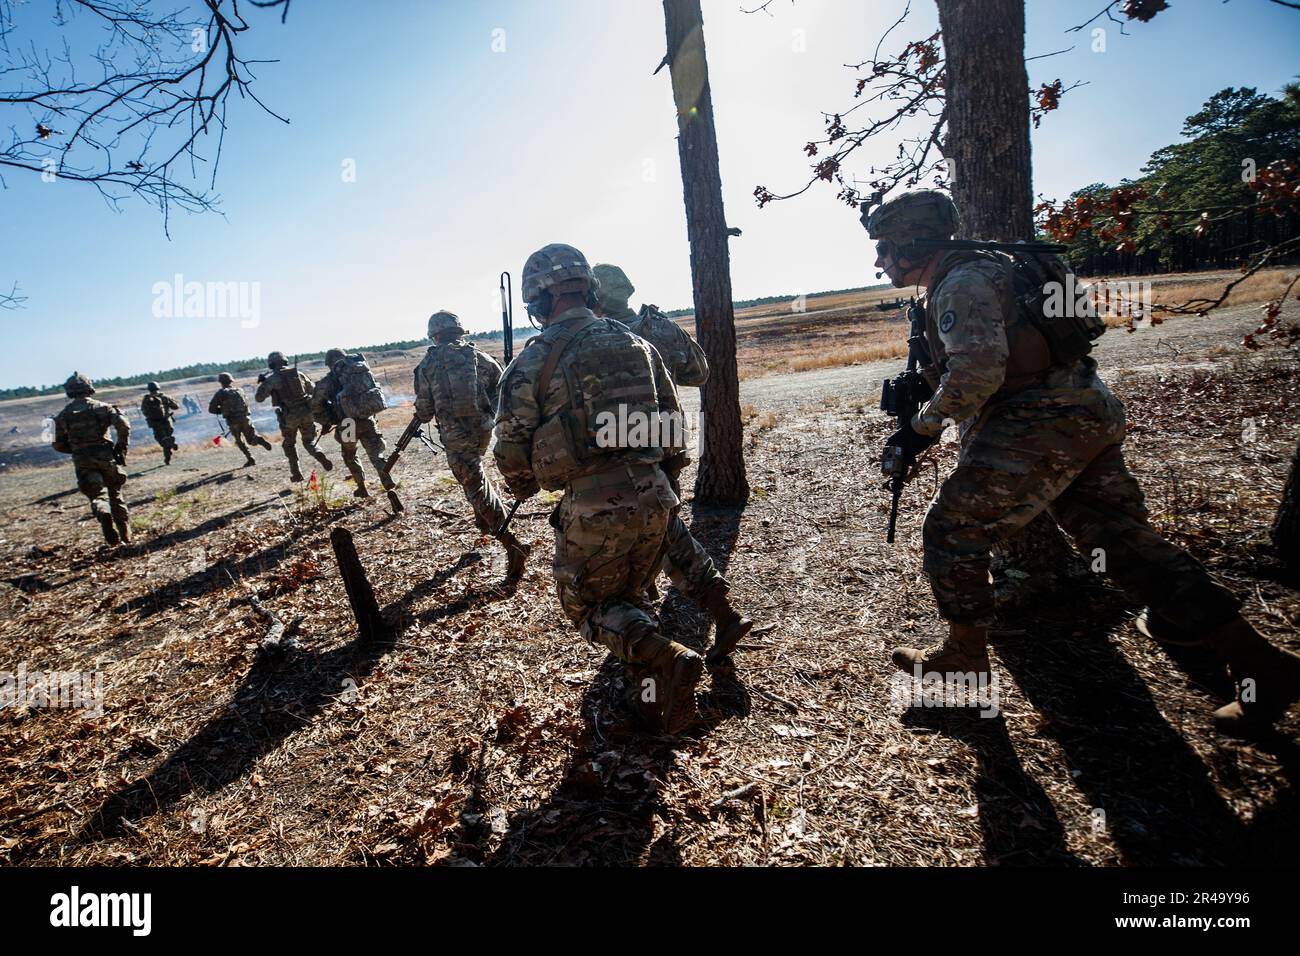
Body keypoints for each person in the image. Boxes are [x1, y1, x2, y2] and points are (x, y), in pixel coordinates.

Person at [866, 189, 1300, 735]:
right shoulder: (996, 269)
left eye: (885, 247)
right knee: (1114, 538)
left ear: (912, 242)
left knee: (953, 528)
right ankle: (1259, 662)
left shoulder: (964, 282)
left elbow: (977, 374)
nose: (879, 261)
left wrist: (918, 431)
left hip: (1037, 425)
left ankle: (964, 659)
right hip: (1083, 414)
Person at [494, 243, 702, 733]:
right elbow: (675, 427)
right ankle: (653, 701)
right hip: (657, 494)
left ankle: (667, 658)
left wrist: (527, 484)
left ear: (539, 301)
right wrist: (661, 486)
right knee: (634, 593)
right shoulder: (638, 343)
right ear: (588, 287)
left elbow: (510, 452)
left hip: (592, 506)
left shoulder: (533, 360)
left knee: (588, 603)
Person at [592, 262, 753, 664]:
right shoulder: (655, 325)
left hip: (621, 447)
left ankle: (646, 632)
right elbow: (699, 371)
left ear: (595, 296)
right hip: (665, 440)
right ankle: (715, 615)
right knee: (665, 527)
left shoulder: (594, 337)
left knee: (640, 536)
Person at [414, 312, 525, 578]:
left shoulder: (428, 365)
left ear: (435, 335)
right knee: (474, 474)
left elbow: (425, 410)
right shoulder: (483, 358)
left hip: (456, 436)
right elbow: (501, 395)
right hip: (483, 432)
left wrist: (424, 411)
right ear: (460, 331)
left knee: (475, 486)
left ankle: (513, 544)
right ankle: (483, 522)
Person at [313, 348, 402, 511]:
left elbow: (315, 407)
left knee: (350, 454)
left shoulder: (327, 382)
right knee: (377, 454)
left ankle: (362, 487)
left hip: (347, 424)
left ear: (329, 364)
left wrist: (329, 420)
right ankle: (388, 483)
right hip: (367, 419)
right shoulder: (357, 370)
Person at [51, 372, 131, 546]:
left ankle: (102, 511)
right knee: (115, 494)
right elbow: (124, 425)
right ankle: (125, 536)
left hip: (83, 460)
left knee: (97, 495)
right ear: (89, 388)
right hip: (105, 456)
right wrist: (121, 445)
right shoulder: (103, 407)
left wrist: (76, 450)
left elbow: (56, 444)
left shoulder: (62, 416)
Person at [255, 351, 333, 482]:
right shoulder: (298, 373)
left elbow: (259, 398)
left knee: (289, 444)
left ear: (271, 364)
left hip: (289, 416)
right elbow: (313, 390)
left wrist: (263, 383)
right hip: (307, 412)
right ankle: (318, 453)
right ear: (285, 361)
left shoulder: (272, 379)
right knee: (309, 441)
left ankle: (296, 474)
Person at [208, 372, 273, 466]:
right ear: (231, 381)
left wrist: (221, 410)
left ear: (221, 382)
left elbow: (211, 409)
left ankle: (250, 458)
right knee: (251, 440)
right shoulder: (240, 390)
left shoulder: (220, 393)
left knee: (239, 441)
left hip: (233, 421)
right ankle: (259, 439)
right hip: (245, 418)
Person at [139, 381, 180, 465]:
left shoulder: (146, 399)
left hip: (155, 423)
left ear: (149, 389)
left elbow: (143, 411)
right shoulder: (165, 397)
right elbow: (176, 407)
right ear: (158, 387)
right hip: (167, 422)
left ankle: (167, 458)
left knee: (162, 440)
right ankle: (167, 459)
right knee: (167, 439)